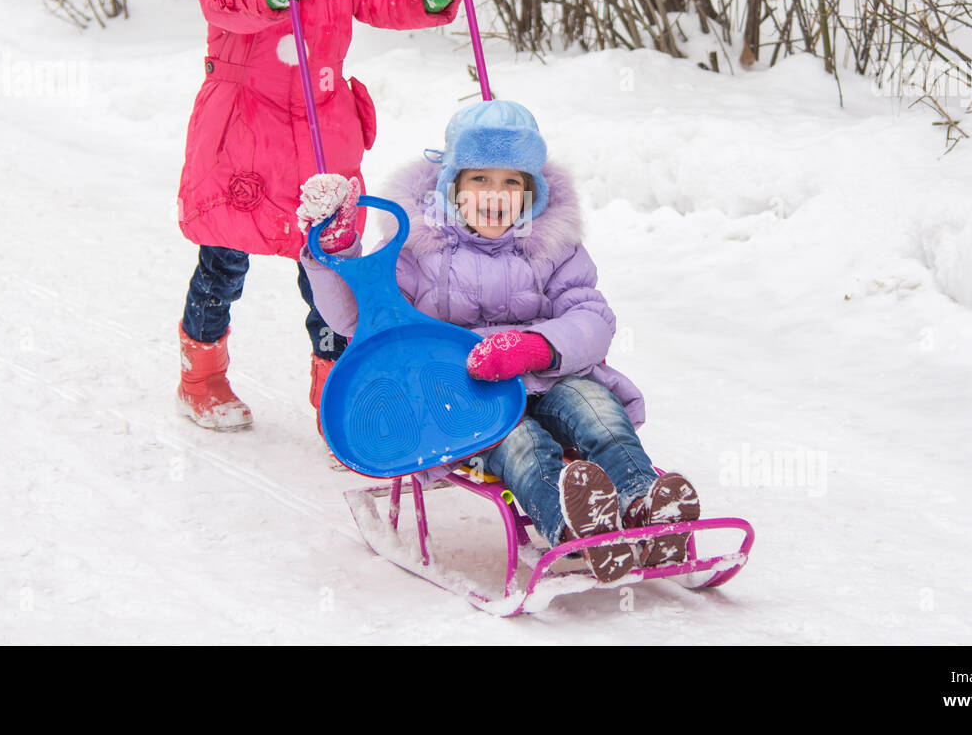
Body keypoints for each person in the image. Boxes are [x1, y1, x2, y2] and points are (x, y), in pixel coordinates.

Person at [295, 100, 701, 584]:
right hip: (465, 397)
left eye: (513, 182)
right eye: (480, 180)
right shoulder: (417, 250)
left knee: (599, 411)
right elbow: (359, 320)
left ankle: (645, 505)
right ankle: (573, 524)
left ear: (533, 193)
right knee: (522, 443)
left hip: (550, 375)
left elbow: (591, 315)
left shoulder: (552, 245)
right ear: (454, 187)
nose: (497, 195)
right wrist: (335, 253)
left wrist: (539, 346)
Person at [175, 0, 476, 431]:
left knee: (333, 272)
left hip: (321, 133)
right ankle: (200, 376)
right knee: (223, 261)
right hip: (240, 137)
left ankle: (334, 392)